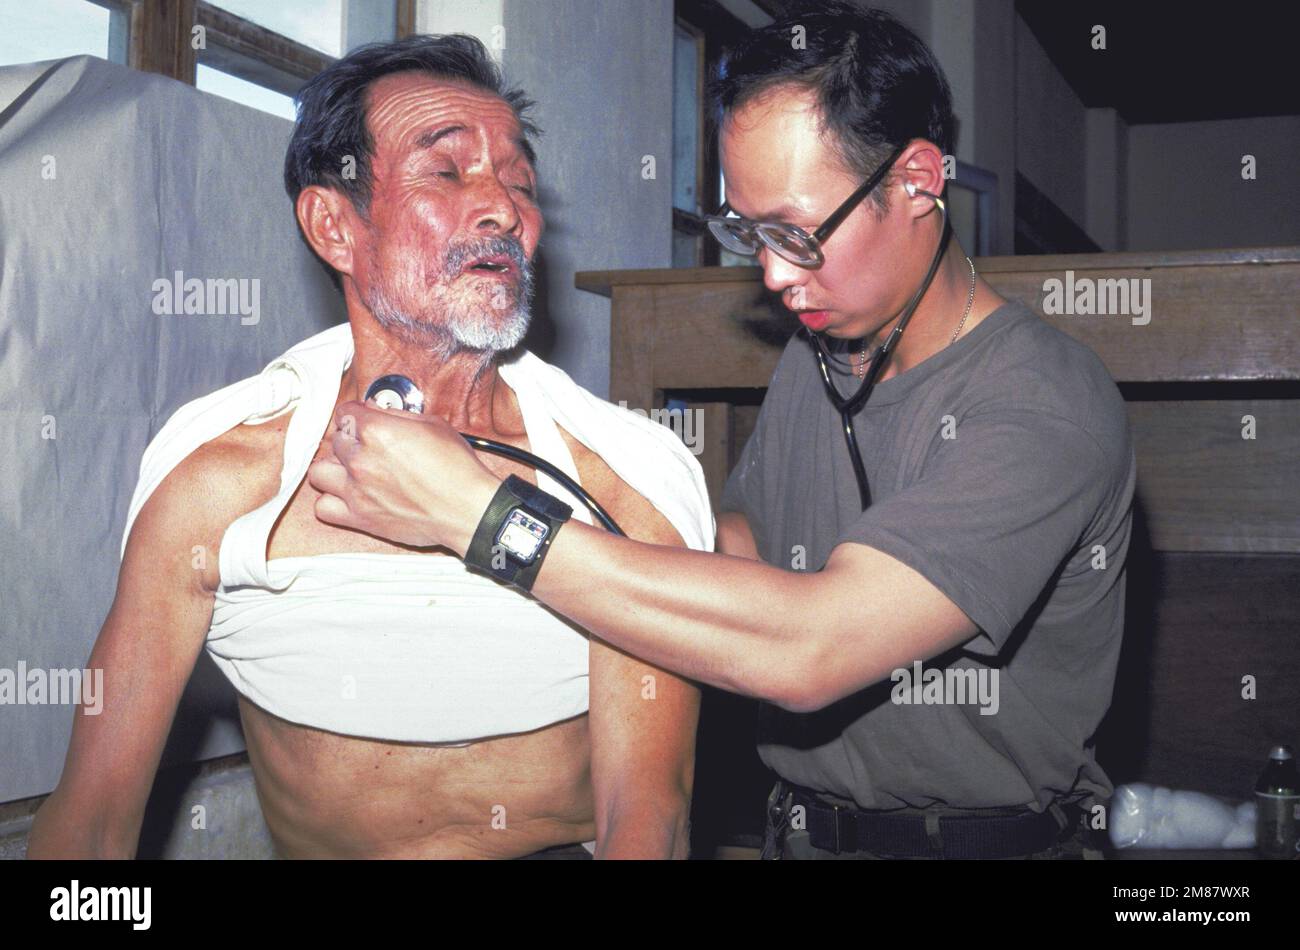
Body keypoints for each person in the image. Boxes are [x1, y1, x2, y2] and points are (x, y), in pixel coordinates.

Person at [308, 5, 1136, 860]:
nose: (773, 274)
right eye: (748, 232)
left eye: (796, 232)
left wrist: (486, 521)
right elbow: (739, 551)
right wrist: (601, 495)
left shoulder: (1045, 403)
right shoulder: (823, 355)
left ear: (919, 181)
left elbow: (812, 648)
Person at [28, 35, 708, 860]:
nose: (505, 208)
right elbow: (93, 823)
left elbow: (648, 818)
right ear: (333, 226)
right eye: (449, 171)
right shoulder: (222, 482)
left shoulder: (623, 476)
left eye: (519, 182)